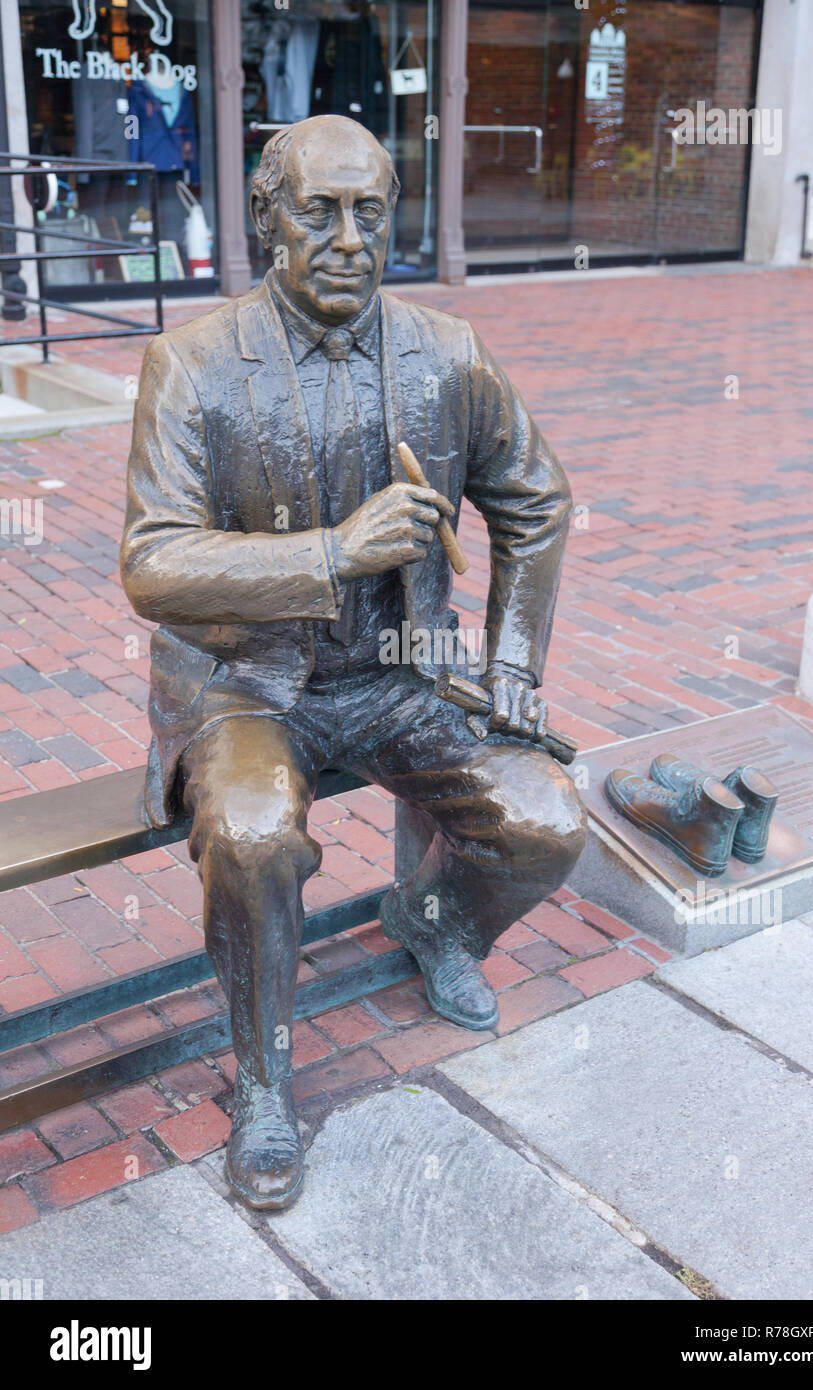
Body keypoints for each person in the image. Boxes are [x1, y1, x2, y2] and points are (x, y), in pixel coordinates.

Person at [121, 115, 585, 1211]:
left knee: (545, 818)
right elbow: (152, 562)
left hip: (399, 668)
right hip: (248, 684)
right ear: (266, 218)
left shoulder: (448, 353)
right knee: (249, 834)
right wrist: (334, 551)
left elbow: (536, 499)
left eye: (367, 213)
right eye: (316, 212)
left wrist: (511, 660)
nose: (344, 238)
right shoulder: (190, 363)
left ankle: (430, 919)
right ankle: (266, 1079)